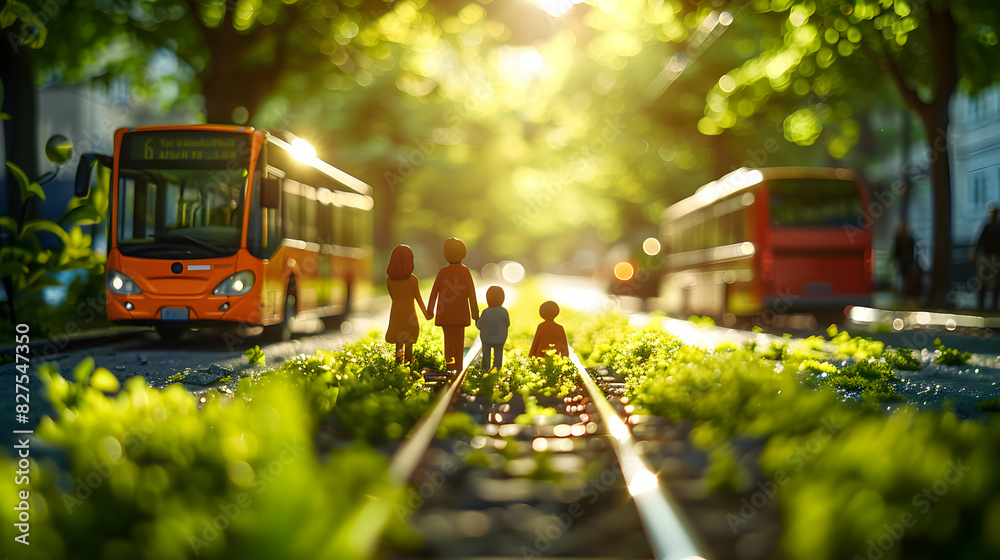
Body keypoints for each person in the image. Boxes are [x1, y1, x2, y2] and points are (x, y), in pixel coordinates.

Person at [427, 238, 479, 371]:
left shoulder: (442, 272)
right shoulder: (465, 271)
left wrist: (430, 311)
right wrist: (475, 313)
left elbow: (434, 293)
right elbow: (472, 294)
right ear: (464, 253)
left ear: (445, 253)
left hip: (445, 314)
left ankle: (450, 366)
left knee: (448, 342)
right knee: (459, 342)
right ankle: (458, 366)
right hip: (461, 314)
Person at [385, 244, 432, 363]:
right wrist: (426, 314)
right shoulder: (413, 280)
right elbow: (418, 299)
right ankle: (409, 363)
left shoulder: (389, 281)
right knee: (409, 340)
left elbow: (394, 297)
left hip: (396, 315)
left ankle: (398, 364)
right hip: (410, 316)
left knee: (398, 340)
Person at [476, 286, 510, 372]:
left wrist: (476, 320)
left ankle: (485, 368)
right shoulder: (504, 312)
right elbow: (507, 324)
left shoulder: (485, 312)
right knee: (498, 354)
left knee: (486, 354)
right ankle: (497, 369)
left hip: (486, 338)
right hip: (500, 338)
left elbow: (479, 325)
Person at [975, 202, 1000, 310]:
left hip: (995, 257)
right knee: (983, 281)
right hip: (987, 257)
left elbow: (980, 242)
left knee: (994, 282)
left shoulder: (993, 226)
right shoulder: (988, 226)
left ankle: (992, 305)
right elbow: (980, 241)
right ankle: (982, 305)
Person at [892, 220, 917, 297]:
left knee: (901, 276)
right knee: (906, 277)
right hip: (907, 260)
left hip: (902, 260)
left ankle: (902, 292)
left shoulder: (899, 238)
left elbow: (896, 250)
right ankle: (906, 291)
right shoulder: (909, 238)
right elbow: (912, 251)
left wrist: (895, 258)